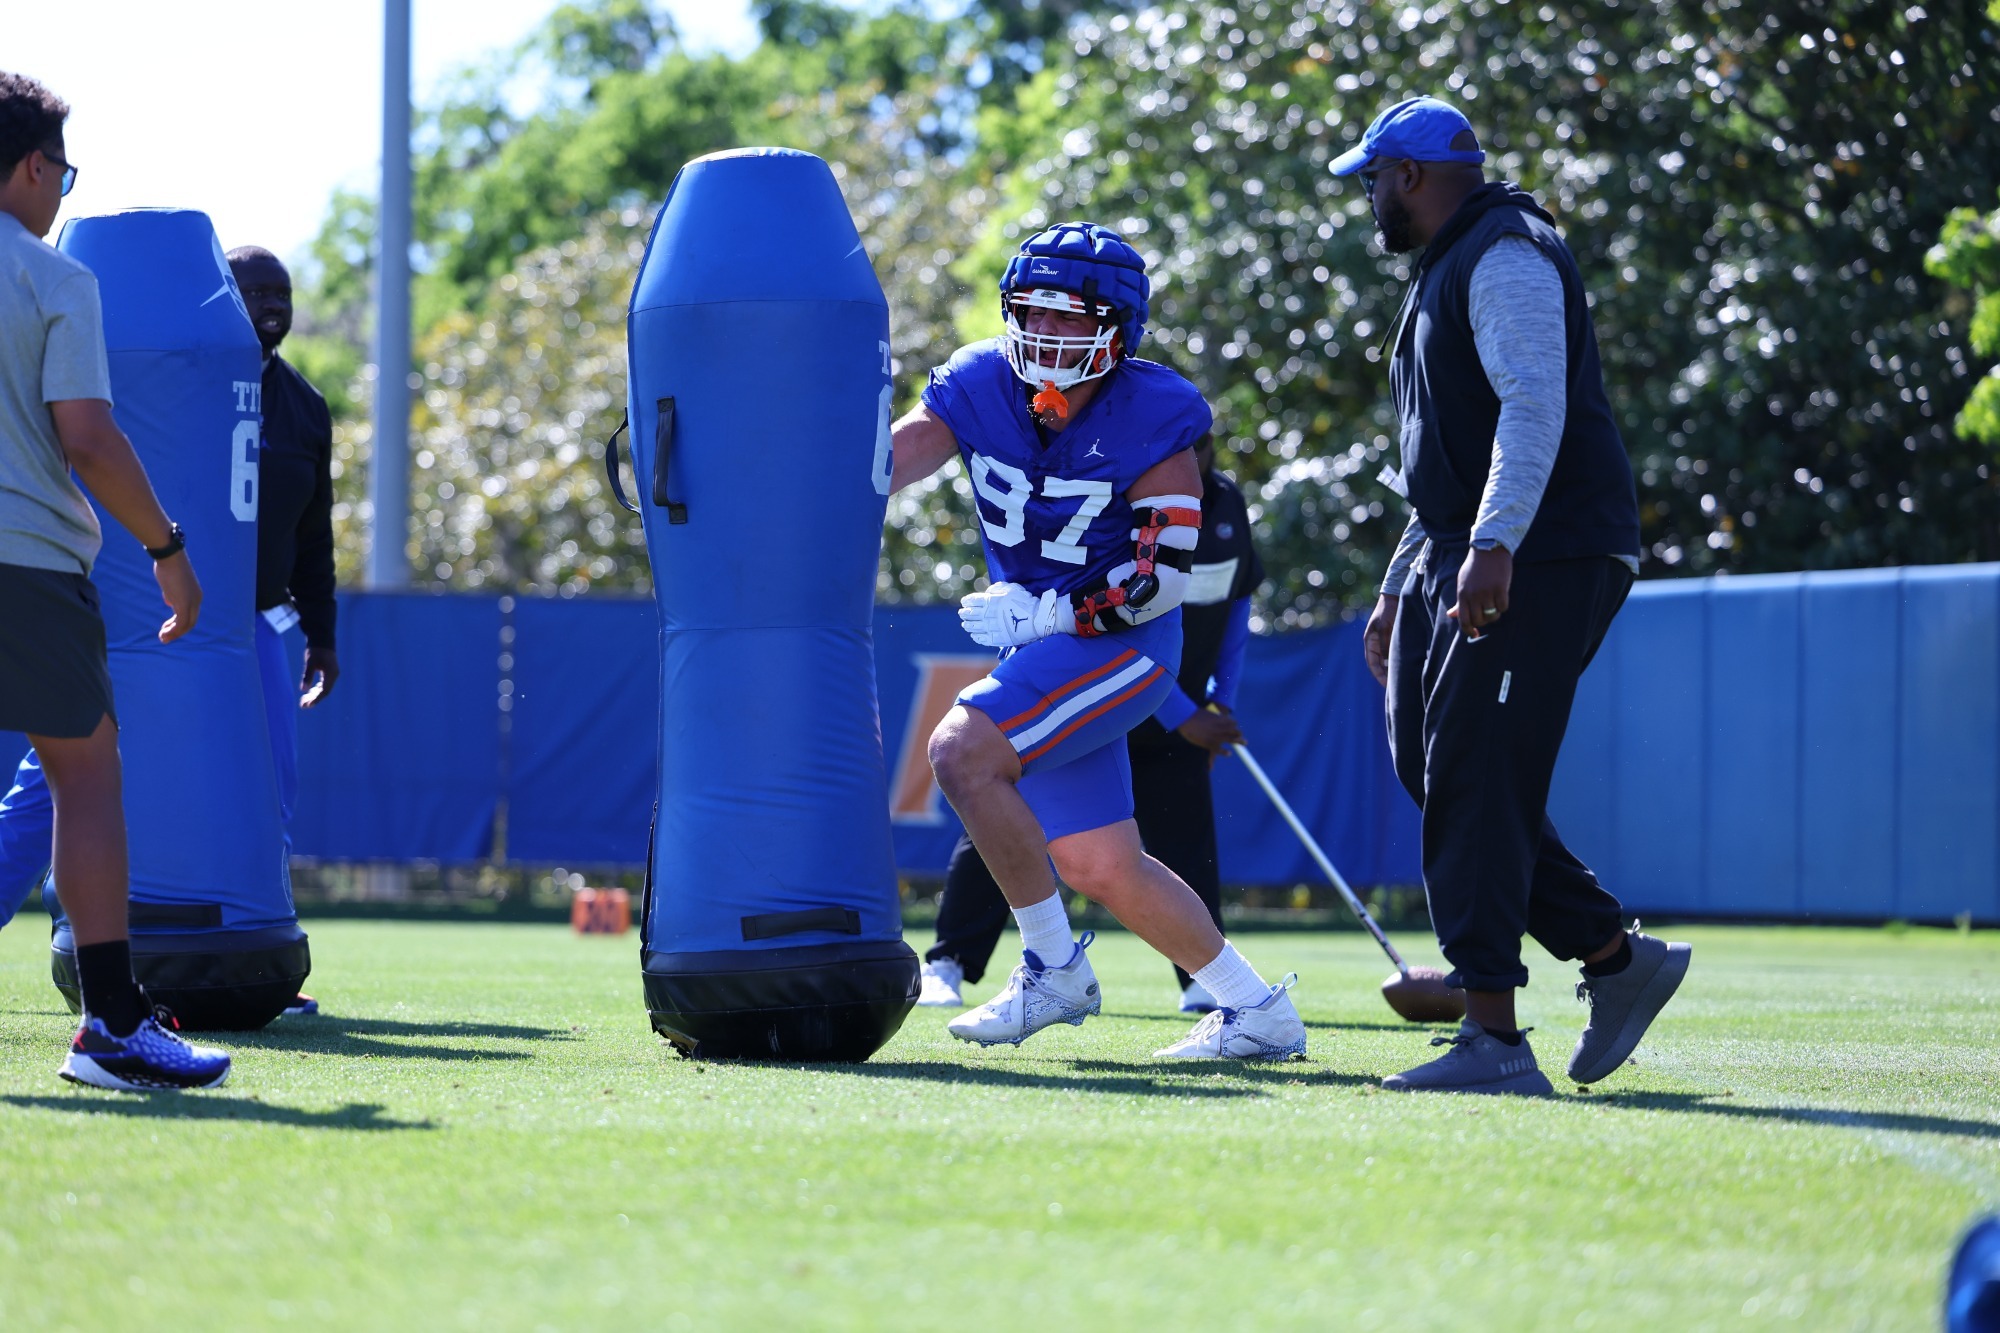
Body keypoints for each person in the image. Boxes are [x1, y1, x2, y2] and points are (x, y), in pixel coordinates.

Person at [1332, 95, 1687, 1095]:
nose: (1367, 201)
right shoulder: (1444, 265)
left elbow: (1532, 402)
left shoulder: (1503, 250)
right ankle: (1613, 959)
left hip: (1543, 549)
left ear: (1406, 176)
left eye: (1370, 181)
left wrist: (1494, 543)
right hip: (1468, 548)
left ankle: (1492, 1033)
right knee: (1432, 762)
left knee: (1477, 774)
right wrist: (1400, 579)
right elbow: (1443, 460)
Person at [888, 220, 1305, 1060]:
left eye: (1071, 317)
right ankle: (1256, 1008)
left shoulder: (1155, 416)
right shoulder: (977, 382)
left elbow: (1160, 582)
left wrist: (1047, 615)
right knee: (1099, 863)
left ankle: (1050, 966)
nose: (1046, 334)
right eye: (1032, 313)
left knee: (963, 751)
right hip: (1053, 647)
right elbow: (877, 471)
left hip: (1126, 643)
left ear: (1117, 326)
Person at [0, 71, 231, 1090]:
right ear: (36, 164)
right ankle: (111, 1026)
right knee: (85, 778)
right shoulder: (54, 279)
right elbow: (87, 439)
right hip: (25, 562)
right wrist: (169, 549)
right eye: (64, 172)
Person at [917, 435, 1264, 1014]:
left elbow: (1235, 607)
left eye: (1199, 447)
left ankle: (1220, 990)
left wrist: (1216, 705)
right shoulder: (1117, 487)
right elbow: (1128, 613)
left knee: (1169, 849)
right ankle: (952, 961)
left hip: (1176, 709)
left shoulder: (1225, 504)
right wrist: (1184, 714)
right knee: (1006, 813)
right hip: (1106, 693)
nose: (1188, 459)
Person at [228, 244, 338, 1018]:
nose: (272, 302)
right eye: (254, 289)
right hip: (165, 626)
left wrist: (323, 637)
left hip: (262, 624)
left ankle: (261, 959)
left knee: (271, 796)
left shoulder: (304, 404)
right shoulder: (190, 385)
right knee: (64, 788)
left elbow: (315, 538)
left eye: (282, 290)